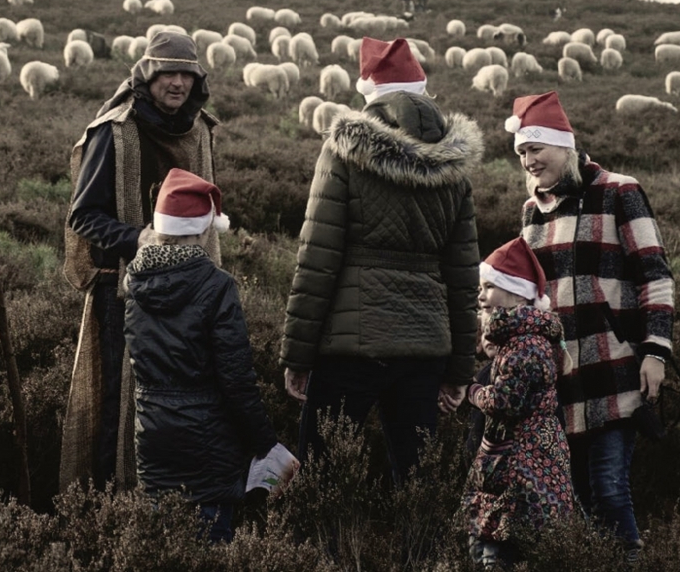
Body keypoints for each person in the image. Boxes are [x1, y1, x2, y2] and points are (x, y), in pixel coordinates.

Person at [280, 37, 481, 485]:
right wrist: (459, 369)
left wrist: (298, 355)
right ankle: (421, 557)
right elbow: (464, 277)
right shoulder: (456, 167)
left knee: (322, 476)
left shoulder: (343, 150)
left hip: (349, 347)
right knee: (417, 482)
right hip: (425, 346)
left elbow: (317, 259)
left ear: (369, 91)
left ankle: (329, 554)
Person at [507, 91, 675, 561]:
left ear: (563, 144)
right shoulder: (531, 211)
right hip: (560, 379)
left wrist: (655, 350)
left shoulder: (619, 191)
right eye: (522, 152)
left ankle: (630, 562)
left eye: (535, 149)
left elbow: (655, 276)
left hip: (614, 366)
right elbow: (529, 293)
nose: (529, 160)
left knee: (609, 489)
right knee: (575, 497)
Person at [60, 30, 220, 491]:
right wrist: (138, 238)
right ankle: (113, 501)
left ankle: (170, 505)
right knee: (118, 404)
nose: (177, 83)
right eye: (168, 72)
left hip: (190, 293)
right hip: (122, 291)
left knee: (181, 400)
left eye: (187, 74)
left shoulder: (200, 131)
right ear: (148, 73)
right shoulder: (115, 133)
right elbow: (83, 216)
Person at [123, 168, 296, 543]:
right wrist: (266, 443)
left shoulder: (134, 285)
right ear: (203, 230)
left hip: (152, 437)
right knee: (211, 544)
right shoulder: (217, 287)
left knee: (161, 546)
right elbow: (237, 381)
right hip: (207, 442)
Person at [454, 238, 575, 569]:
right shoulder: (517, 344)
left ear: (519, 294)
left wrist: (475, 392)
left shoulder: (527, 347)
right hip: (507, 467)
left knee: (499, 548)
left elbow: (508, 402)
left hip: (520, 469)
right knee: (486, 544)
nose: (481, 295)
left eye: (491, 286)